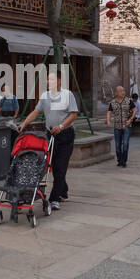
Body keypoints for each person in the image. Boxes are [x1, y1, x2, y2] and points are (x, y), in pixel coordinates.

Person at [39, 70, 82, 205]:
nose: (48, 82)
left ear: (58, 81)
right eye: (47, 80)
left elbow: (73, 114)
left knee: (60, 166)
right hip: (50, 134)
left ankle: (54, 199)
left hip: (65, 135)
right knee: (56, 167)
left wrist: (61, 126)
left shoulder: (67, 94)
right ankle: (63, 191)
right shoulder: (45, 96)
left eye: (51, 79)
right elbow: (36, 111)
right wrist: (24, 123)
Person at [114, 82, 140, 168]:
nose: (123, 92)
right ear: (116, 92)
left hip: (127, 126)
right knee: (117, 145)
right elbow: (110, 111)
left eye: (124, 90)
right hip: (117, 127)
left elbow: (135, 110)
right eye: (121, 91)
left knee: (125, 143)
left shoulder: (129, 101)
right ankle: (119, 160)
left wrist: (131, 119)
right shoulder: (113, 102)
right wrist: (108, 119)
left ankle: (124, 161)